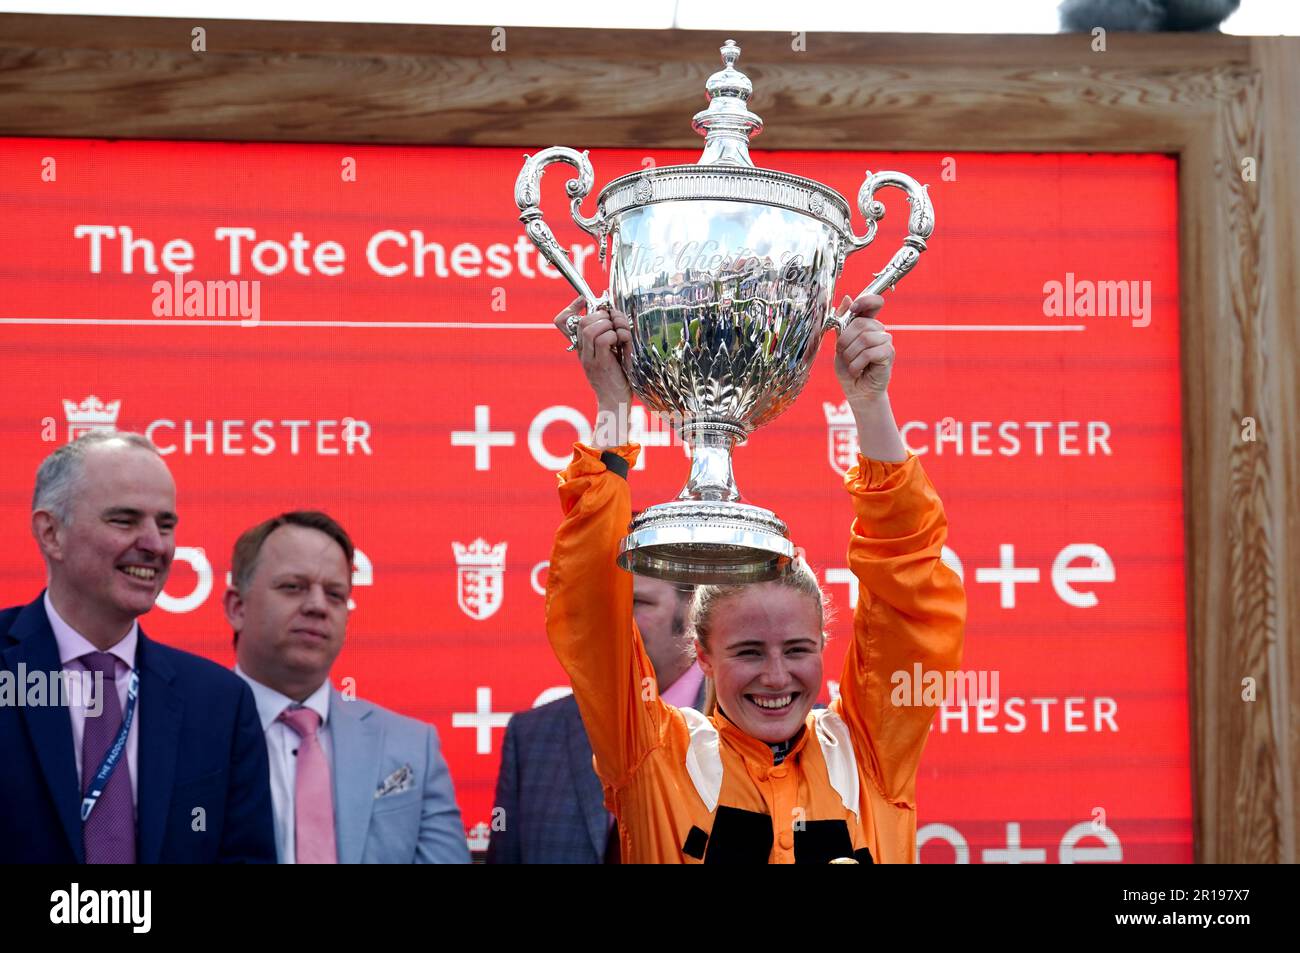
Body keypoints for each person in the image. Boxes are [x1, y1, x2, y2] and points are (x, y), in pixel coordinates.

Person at [545, 292, 966, 863]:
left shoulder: (868, 755)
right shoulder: (652, 755)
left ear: (823, 646)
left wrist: (870, 404)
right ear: (703, 655)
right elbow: (590, 604)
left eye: (797, 648)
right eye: (747, 651)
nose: (776, 676)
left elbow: (912, 579)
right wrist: (614, 406)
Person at [0, 431, 275, 863]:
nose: (155, 544)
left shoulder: (219, 703)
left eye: (165, 525)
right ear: (51, 533)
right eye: (124, 521)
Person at [225, 510, 470, 864]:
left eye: (335, 594)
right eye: (293, 587)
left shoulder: (413, 747)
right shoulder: (183, 734)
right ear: (237, 607)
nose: (317, 606)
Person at [486, 573, 704, 864]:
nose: (611, 619)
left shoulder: (748, 731)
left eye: (636, 603)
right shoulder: (531, 738)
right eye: (599, 604)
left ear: (692, 612)